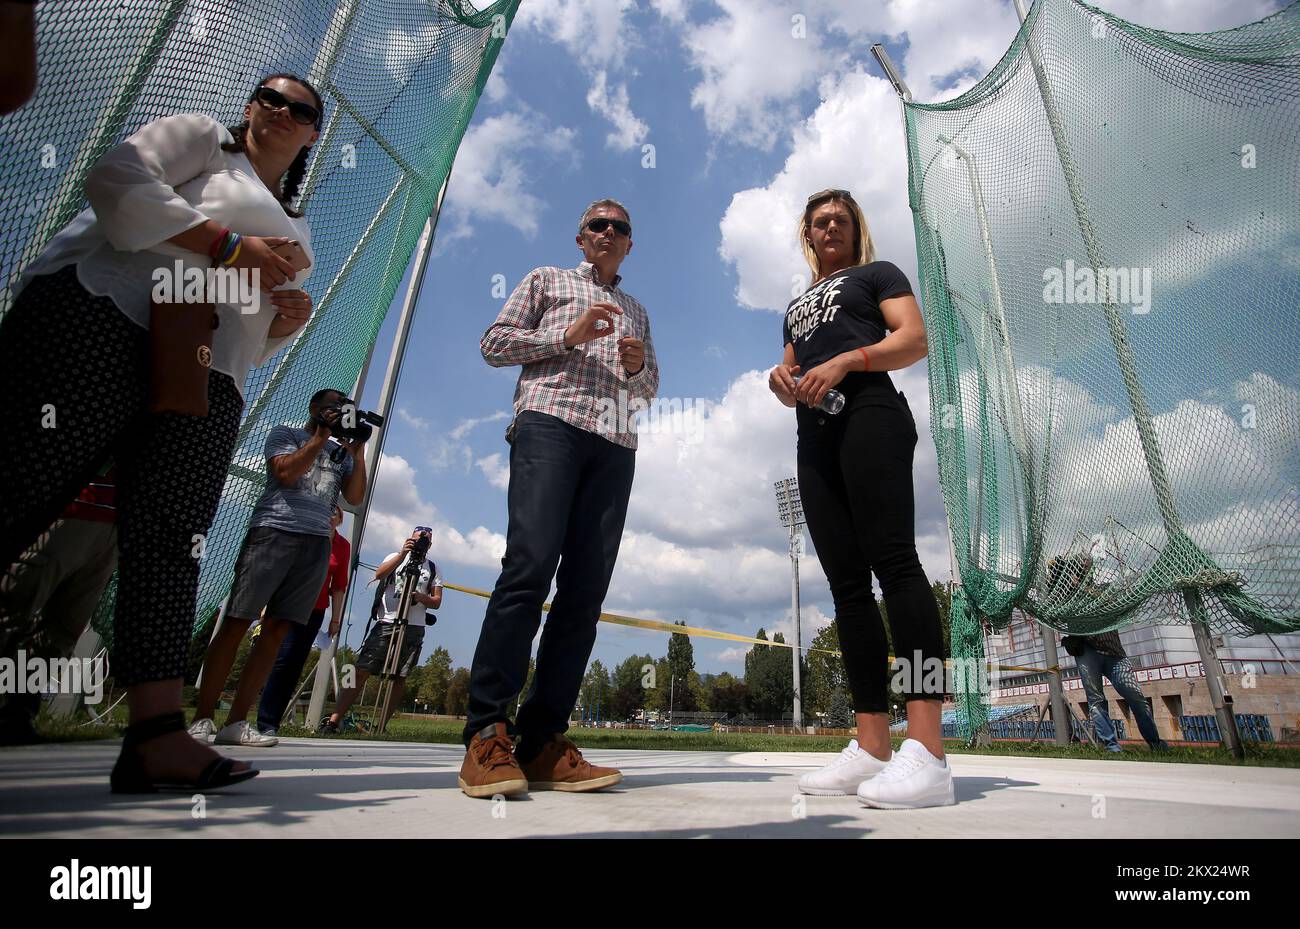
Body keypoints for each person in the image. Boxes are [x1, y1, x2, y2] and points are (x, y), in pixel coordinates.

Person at [0, 73, 322, 792]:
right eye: (269, 98)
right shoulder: (205, 142)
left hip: (206, 366)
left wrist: (280, 324)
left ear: (311, 135)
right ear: (249, 108)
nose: (280, 111)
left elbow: (246, 330)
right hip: (106, 314)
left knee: (172, 537)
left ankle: (154, 732)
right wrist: (230, 243)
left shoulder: (297, 229)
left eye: (299, 109)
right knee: (21, 482)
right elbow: (116, 183)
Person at [457, 198, 658, 798]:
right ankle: (487, 732)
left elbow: (648, 391)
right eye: (598, 225)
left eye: (620, 227)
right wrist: (565, 337)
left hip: (615, 439)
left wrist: (640, 365)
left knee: (585, 591)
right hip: (550, 423)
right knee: (530, 565)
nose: (608, 233)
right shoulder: (546, 279)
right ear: (580, 237)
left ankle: (543, 740)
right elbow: (494, 344)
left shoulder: (638, 310)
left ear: (629, 245)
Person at [771, 188, 953, 809]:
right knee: (847, 590)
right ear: (808, 234)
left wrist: (852, 359)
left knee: (895, 564)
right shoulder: (796, 306)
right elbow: (792, 372)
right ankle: (872, 742)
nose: (830, 228)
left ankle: (927, 749)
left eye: (840, 220)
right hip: (814, 434)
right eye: (819, 222)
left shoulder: (878, 274)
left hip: (871, 413)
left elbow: (915, 339)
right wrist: (781, 379)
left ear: (855, 229)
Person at [189, 388, 367, 746]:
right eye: (333, 405)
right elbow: (285, 472)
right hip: (274, 531)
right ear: (315, 408)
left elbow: (355, 497)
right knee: (238, 621)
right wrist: (320, 437)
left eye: (345, 407)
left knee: (276, 631)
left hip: (316, 541)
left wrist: (357, 452)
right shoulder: (287, 434)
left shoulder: (342, 453)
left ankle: (237, 722)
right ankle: (203, 716)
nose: (339, 411)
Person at [0, 464, 117, 744]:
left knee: (63, 628)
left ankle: (17, 713)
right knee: (14, 604)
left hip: (113, 517)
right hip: (73, 506)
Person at [320, 528, 442, 732]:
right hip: (386, 621)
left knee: (400, 676)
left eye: (426, 541)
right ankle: (333, 720)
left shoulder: (433, 568)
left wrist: (422, 598)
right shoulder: (396, 557)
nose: (421, 543)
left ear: (430, 546)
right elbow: (380, 574)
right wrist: (403, 553)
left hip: (414, 626)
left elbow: (437, 601)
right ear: (409, 539)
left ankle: (381, 726)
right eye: (417, 539)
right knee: (361, 670)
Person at [254, 504, 350, 735]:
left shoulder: (341, 546)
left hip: (314, 610)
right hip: (287, 603)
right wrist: (267, 603)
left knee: (293, 663)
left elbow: (338, 585)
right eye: (326, 510)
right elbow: (282, 569)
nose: (329, 515)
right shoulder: (305, 533)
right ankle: (261, 717)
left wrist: (335, 619)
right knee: (278, 659)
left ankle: (270, 723)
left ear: (339, 519)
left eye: (334, 512)